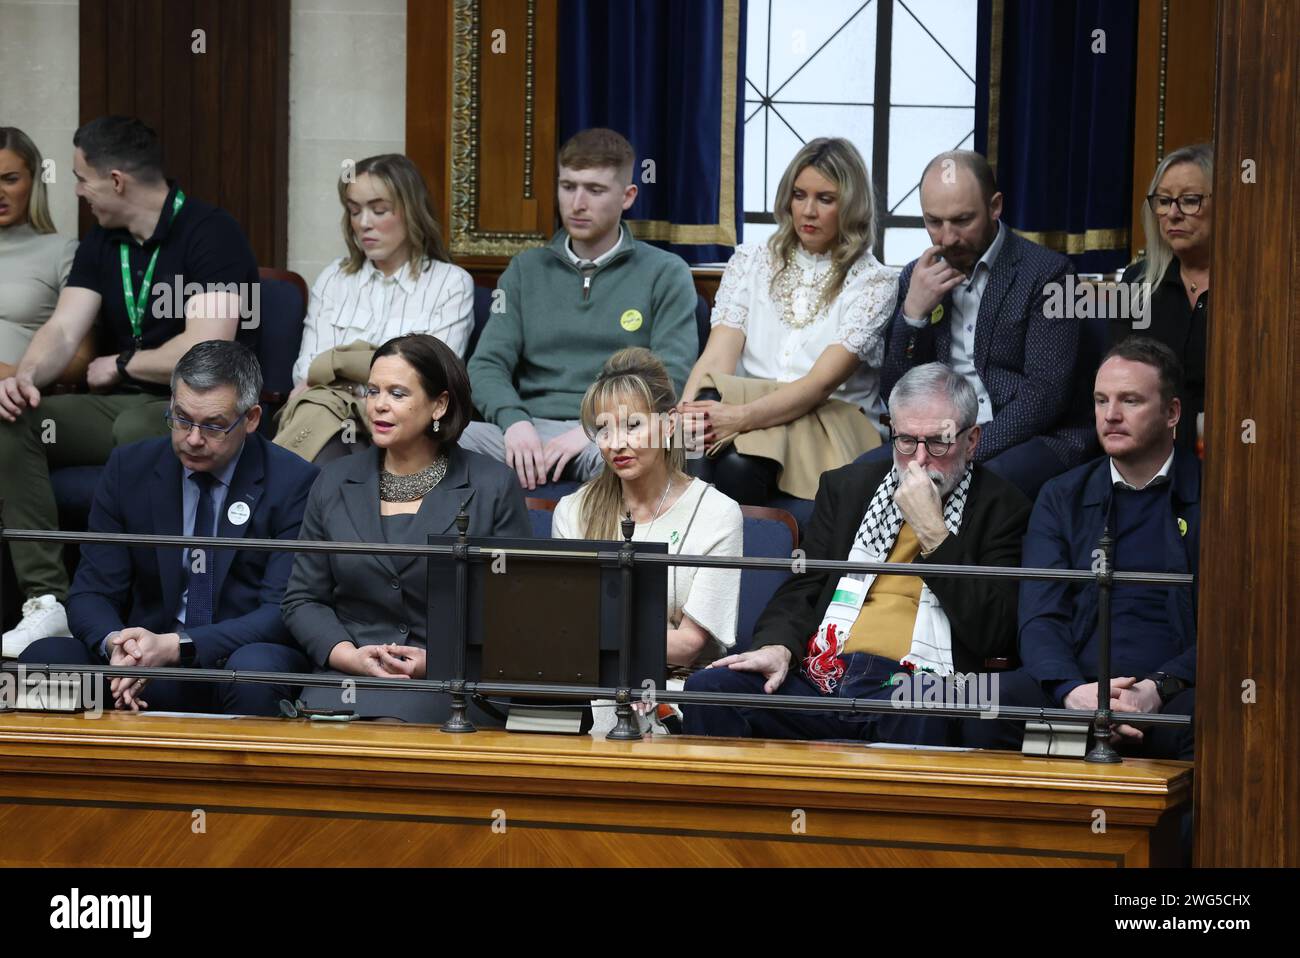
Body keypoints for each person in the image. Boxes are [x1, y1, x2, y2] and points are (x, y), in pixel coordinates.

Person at [0, 116, 259, 652]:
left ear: (115, 181)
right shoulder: (104, 241)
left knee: (140, 430)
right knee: (12, 419)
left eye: (81, 178)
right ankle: (48, 600)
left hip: (192, 408)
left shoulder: (212, 232)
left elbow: (205, 351)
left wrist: (122, 364)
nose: (76, 190)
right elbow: (64, 327)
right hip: (115, 406)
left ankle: (153, 606)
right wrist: (22, 379)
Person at [684, 363, 1031, 743]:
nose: (918, 460)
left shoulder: (1003, 508)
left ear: (971, 440)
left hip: (913, 686)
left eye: (937, 443)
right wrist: (779, 646)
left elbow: (994, 633)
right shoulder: (849, 489)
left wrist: (933, 532)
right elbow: (804, 588)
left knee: (924, 710)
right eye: (906, 441)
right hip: (822, 673)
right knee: (710, 691)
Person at [16, 341, 317, 714]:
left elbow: (282, 611)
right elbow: (92, 592)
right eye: (182, 418)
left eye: (213, 426)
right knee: (43, 662)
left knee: (257, 672)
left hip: (231, 661)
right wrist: (119, 647)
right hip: (138, 660)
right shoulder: (130, 468)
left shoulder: (294, 482)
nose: (192, 438)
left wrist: (177, 647)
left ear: (252, 418)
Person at [962, 337, 1198, 761]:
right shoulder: (1061, 496)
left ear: (1172, 413)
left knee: (1221, 720)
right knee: (984, 706)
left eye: (1130, 401)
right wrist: (1074, 693)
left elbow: (1233, 627)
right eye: (1101, 400)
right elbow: (1038, 615)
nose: (1111, 415)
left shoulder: (1218, 496)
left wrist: (1157, 690)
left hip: (1171, 702)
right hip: (1077, 701)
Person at [282, 333, 532, 723]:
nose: (379, 405)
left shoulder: (492, 485)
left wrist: (442, 660)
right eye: (373, 391)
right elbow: (302, 599)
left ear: (440, 404)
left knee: (389, 736)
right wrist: (348, 655)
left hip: (453, 682)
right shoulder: (332, 481)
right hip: (348, 677)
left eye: (397, 394)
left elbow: (515, 610)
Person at [462, 128, 698, 490]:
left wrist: (596, 430)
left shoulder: (666, 272)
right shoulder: (525, 270)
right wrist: (514, 422)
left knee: (665, 442)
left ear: (627, 196)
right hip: (527, 430)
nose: (577, 203)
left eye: (595, 189)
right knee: (433, 439)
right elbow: (486, 364)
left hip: (615, 433)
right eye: (568, 186)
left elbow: (669, 376)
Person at [679, 138, 897, 506]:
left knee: (738, 464)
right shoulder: (751, 260)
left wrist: (740, 419)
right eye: (799, 195)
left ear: (851, 204)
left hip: (828, 416)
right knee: (699, 410)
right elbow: (717, 357)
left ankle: (720, 552)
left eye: (825, 199)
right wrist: (681, 418)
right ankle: (687, 546)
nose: (808, 211)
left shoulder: (874, 282)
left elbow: (818, 385)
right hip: (745, 402)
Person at [878, 150, 1094, 500]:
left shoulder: (1052, 275)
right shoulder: (916, 276)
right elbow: (895, 394)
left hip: (1035, 437)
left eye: (962, 220)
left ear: (995, 207)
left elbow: (1045, 397)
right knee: (853, 481)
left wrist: (961, 449)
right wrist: (913, 315)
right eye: (934, 221)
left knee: (973, 491)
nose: (947, 238)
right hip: (936, 439)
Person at [552, 347, 743, 734]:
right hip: (586, 690)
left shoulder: (717, 514)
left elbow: (689, 644)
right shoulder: (572, 511)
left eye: (632, 425)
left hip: (681, 692)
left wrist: (602, 642)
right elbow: (563, 633)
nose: (615, 443)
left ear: (669, 424)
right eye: (604, 429)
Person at [275, 154, 474, 464]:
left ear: (411, 211)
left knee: (330, 443)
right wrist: (368, 370)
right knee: (326, 424)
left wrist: (336, 365)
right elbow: (307, 369)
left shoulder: (450, 283)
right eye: (354, 211)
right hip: (332, 415)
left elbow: (432, 375)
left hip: (403, 426)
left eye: (379, 210)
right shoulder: (334, 278)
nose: (364, 223)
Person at [1111, 144, 1212, 457]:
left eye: (1190, 201)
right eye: (1164, 201)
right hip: (1149, 447)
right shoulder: (1137, 282)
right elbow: (1121, 376)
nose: (1173, 213)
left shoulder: (1258, 289)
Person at [0, 127, 80, 376]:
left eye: (10, 179)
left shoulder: (63, 251)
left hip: (17, 397)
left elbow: (81, 359)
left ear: (34, 181)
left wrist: (14, 376)